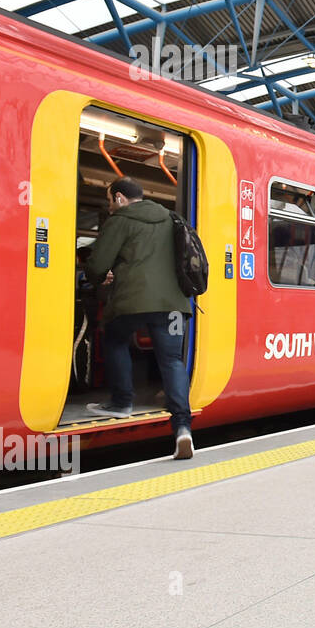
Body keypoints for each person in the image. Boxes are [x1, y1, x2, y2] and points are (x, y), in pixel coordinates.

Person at [85, 177, 196, 460]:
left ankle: (122, 402)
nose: (110, 207)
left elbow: (98, 264)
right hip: (173, 303)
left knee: (115, 339)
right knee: (171, 360)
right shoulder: (173, 218)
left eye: (110, 201)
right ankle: (182, 427)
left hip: (132, 300)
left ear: (120, 198)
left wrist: (99, 278)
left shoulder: (120, 220)